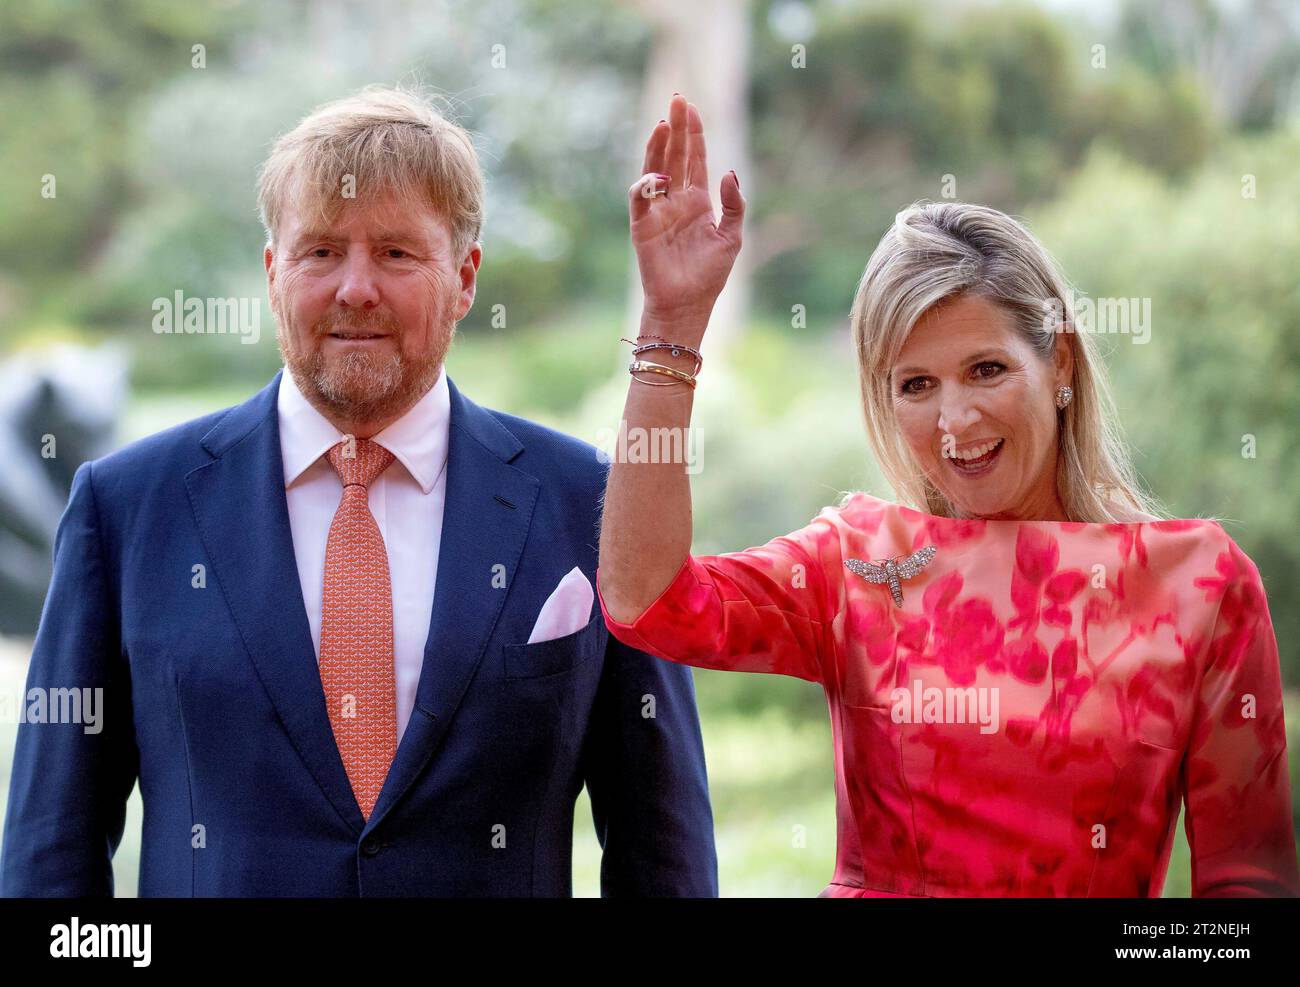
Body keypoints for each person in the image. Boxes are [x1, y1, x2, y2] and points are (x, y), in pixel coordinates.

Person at [1, 86, 717, 898]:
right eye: (320, 252)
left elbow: (665, 855)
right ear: (274, 274)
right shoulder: (126, 508)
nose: (355, 288)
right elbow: (49, 854)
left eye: (397, 253)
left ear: (466, 277)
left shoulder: (589, 501)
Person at [597, 93, 1300, 897]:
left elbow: (1248, 893)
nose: (954, 419)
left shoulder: (1200, 583)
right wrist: (671, 327)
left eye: (987, 369)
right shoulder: (859, 561)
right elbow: (646, 599)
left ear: (1060, 364)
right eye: (916, 384)